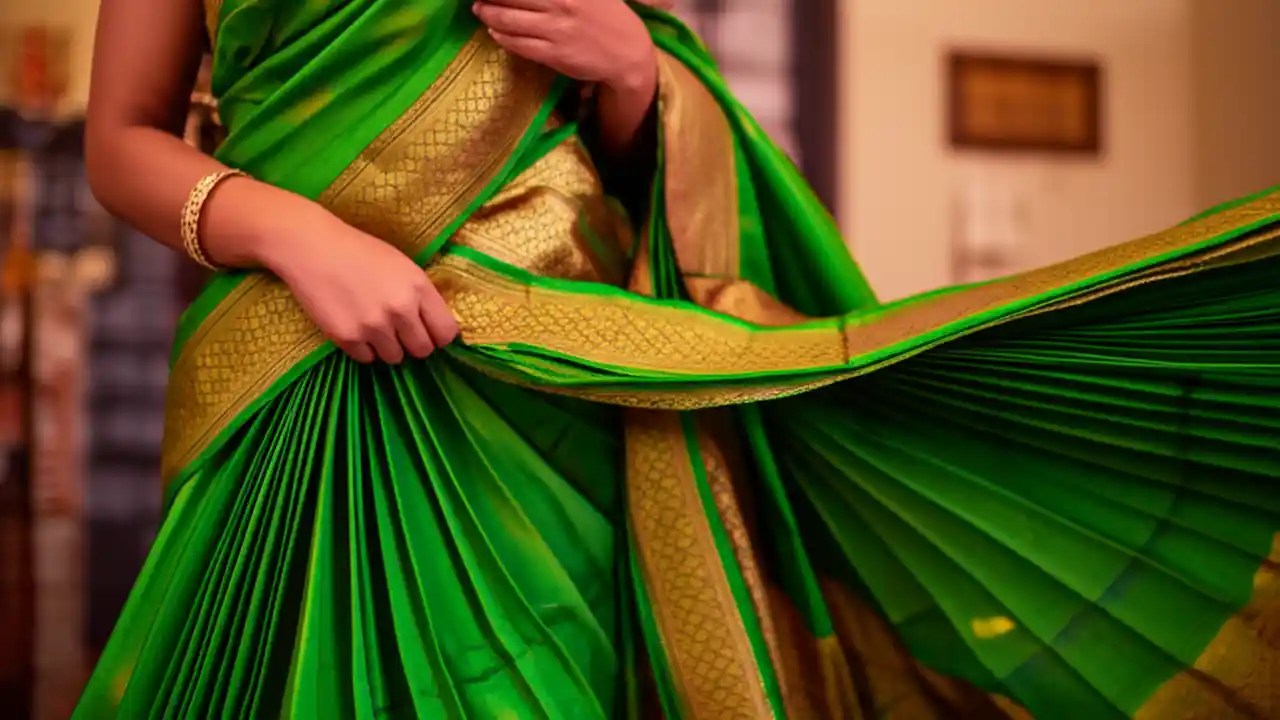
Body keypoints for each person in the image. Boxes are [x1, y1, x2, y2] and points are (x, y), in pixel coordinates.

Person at [76, 0, 1280, 718]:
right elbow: (121, 138)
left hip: (556, 400)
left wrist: (634, 67)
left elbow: (629, 120)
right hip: (300, 389)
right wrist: (296, 236)